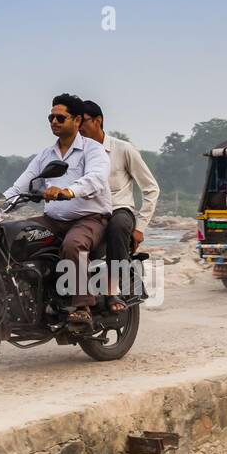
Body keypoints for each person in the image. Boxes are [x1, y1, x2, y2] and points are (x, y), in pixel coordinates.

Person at [1, 93, 110, 330]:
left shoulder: (93, 150)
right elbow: (22, 186)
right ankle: (20, 300)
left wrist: (69, 191)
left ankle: (82, 307)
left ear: (77, 120)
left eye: (60, 117)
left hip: (89, 218)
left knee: (73, 245)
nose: (54, 121)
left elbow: (96, 179)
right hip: (53, 219)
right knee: (9, 234)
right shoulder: (45, 156)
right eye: (51, 117)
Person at [77, 100, 160, 312]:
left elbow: (151, 188)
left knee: (117, 225)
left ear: (98, 121)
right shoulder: (77, 154)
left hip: (118, 209)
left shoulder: (123, 149)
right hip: (90, 212)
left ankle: (113, 290)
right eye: (76, 122)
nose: (78, 127)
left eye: (83, 121)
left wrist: (140, 227)